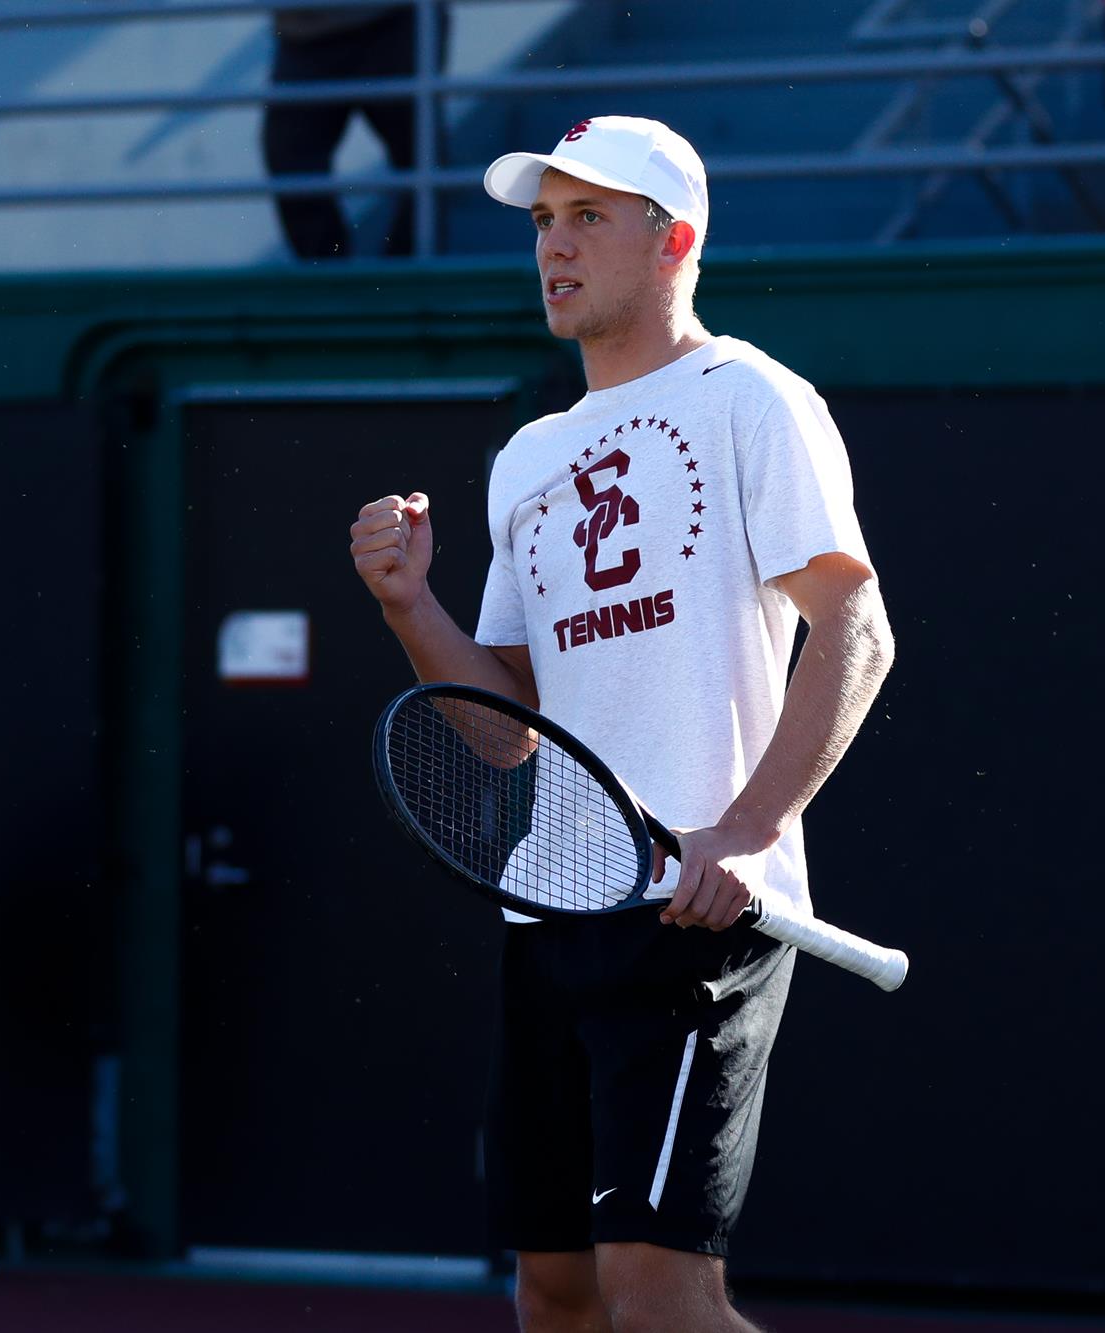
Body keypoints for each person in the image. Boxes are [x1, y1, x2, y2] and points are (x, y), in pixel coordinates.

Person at [347, 116, 896, 1332]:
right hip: (549, 911)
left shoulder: (750, 395)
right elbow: (504, 729)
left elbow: (855, 629)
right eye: (542, 220)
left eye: (587, 216)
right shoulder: (527, 454)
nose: (552, 245)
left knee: (656, 1299)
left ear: (673, 240)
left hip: (699, 914)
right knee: (555, 1295)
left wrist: (745, 829)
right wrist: (406, 602)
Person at [262, 5, 439, 260]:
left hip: (392, 21)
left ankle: (406, 285)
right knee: (290, 160)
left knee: (421, 157)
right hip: (302, 33)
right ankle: (329, 282)